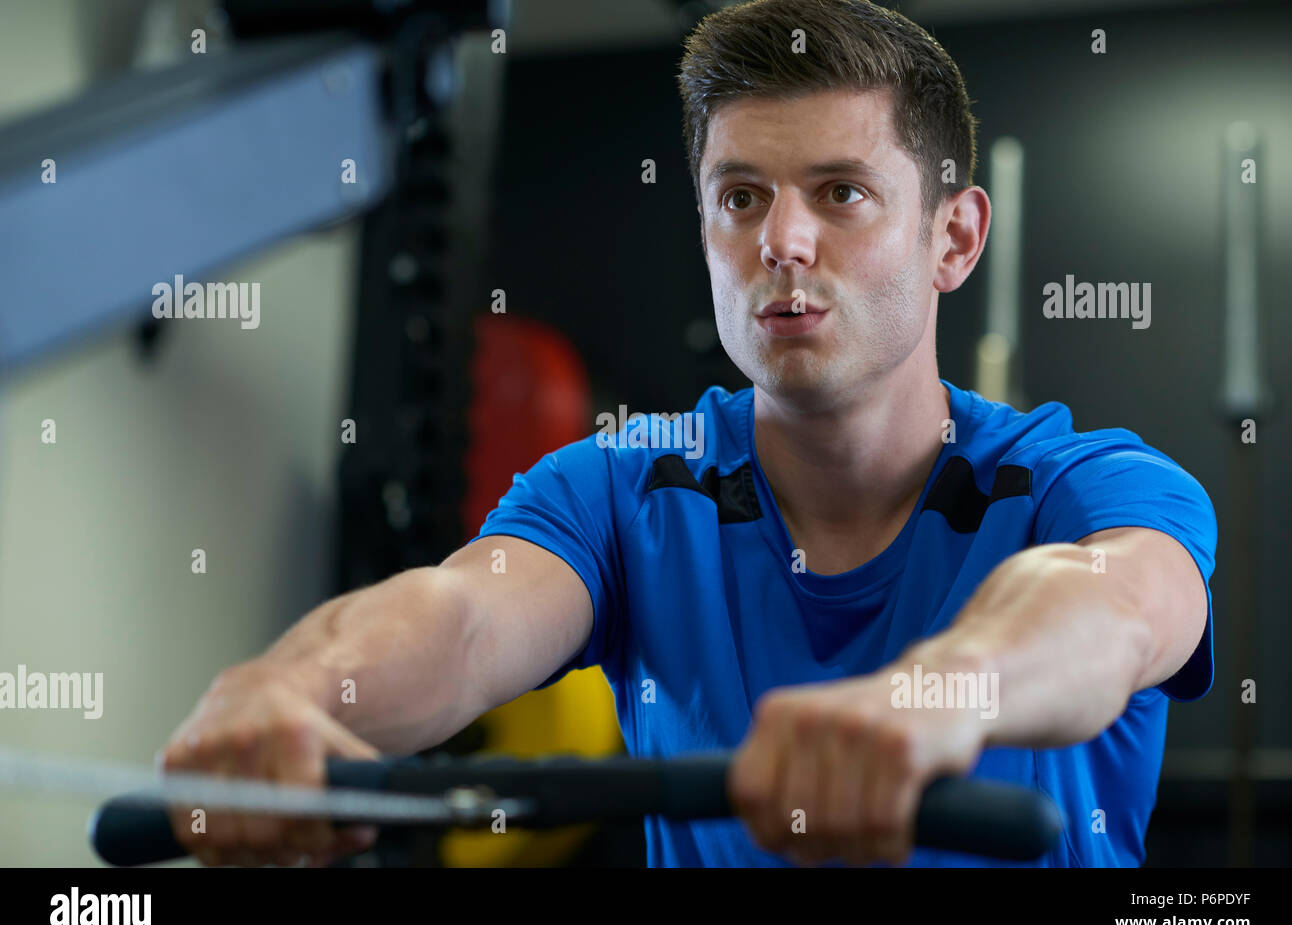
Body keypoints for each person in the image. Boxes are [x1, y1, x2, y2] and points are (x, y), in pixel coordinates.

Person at [160, 0, 1216, 868]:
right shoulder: (622, 487)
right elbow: (462, 618)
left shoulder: (1090, 485)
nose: (782, 241)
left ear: (953, 237)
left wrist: (930, 698)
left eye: (840, 193)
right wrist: (290, 694)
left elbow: (1110, 605)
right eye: (740, 196)